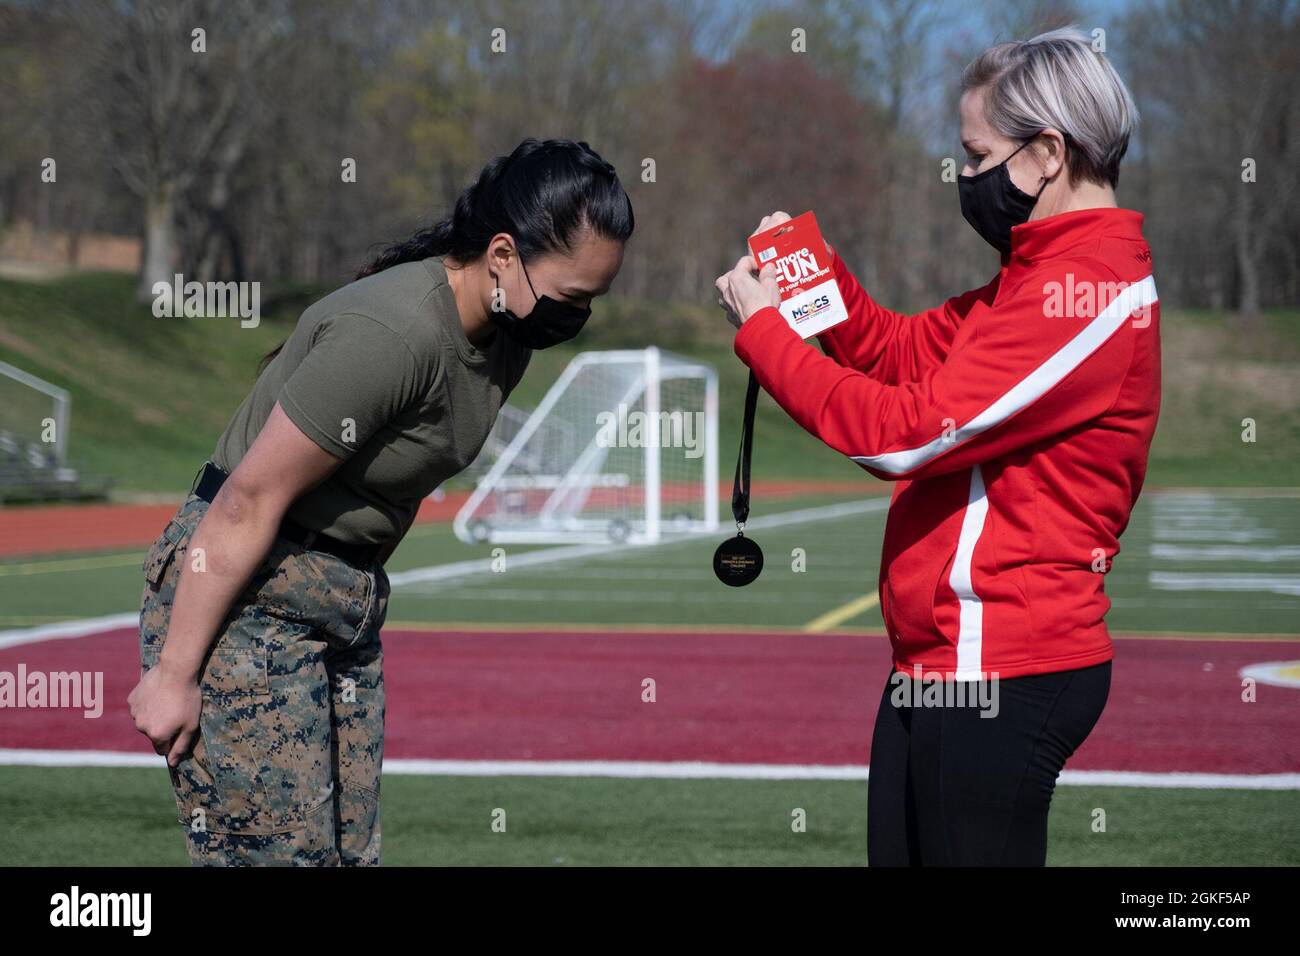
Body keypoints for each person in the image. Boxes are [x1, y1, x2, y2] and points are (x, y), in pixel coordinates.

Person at [715, 28, 1158, 865]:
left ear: (1049, 152)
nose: (963, 176)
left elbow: (905, 436)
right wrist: (811, 277)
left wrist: (766, 335)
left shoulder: (1088, 288)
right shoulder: (1038, 273)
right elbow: (906, 355)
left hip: (1003, 666)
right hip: (942, 659)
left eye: (976, 153)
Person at [128, 138, 633, 865]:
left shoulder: (505, 339)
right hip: (250, 602)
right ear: (501, 254)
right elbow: (246, 500)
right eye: (571, 298)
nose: (576, 317)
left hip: (342, 607)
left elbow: (390, 489)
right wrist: (175, 674)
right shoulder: (394, 333)